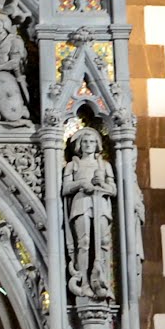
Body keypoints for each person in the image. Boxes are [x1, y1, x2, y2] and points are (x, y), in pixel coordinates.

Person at [62, 122, 116, 300]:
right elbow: (65, 189)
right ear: (79, 145)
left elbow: (113, 190)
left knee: (103, 242)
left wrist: (102, 184)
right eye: (85, 142)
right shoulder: (73, 165)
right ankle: (84, 282)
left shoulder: (104, 166)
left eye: (92, 142)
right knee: (83, 243)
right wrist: (80, 184)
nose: (88, 145)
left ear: (97, 145)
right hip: (81, 204)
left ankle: (102, 281)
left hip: (101, 206)